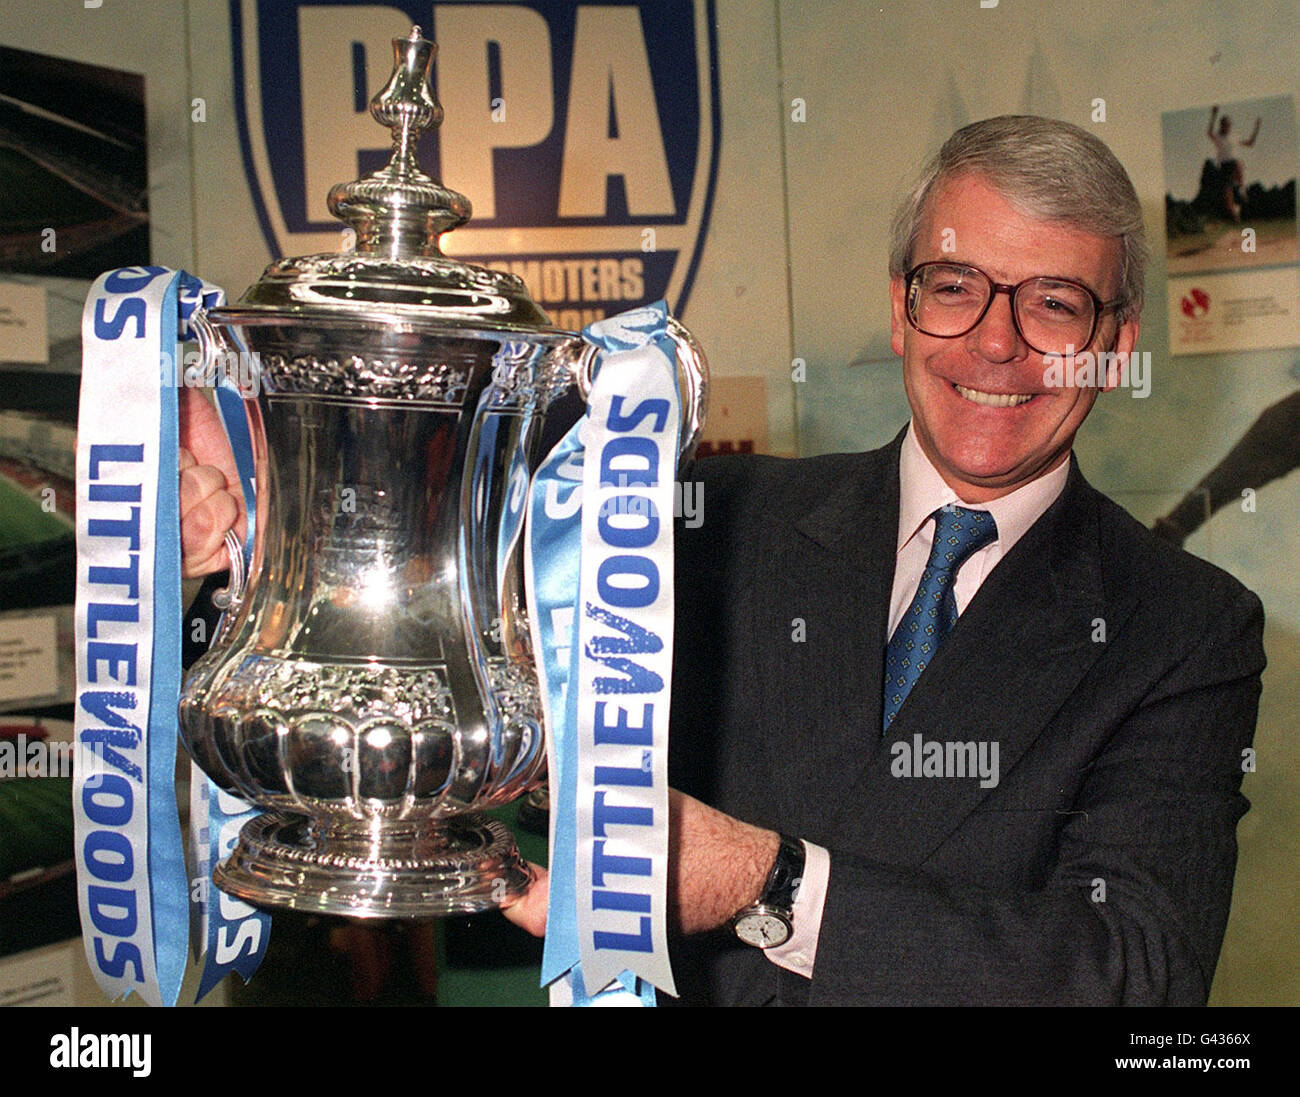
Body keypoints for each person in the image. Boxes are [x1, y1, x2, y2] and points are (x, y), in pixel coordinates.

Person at [179, 116, 1265, 1007]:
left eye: (1054, 302)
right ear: (899, 308)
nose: (995, 339)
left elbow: (1137, 973)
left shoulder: (1183, 624)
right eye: (954, 285)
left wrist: (772, 880)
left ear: (1114, 347)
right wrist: (263, 532)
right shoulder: (711, 520)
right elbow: (442, 616)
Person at [1207, 105, 1261, 221]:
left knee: (1237, 162)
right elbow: (1209, 133)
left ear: (1230, 126)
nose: (1227, 127)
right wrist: (1213, 115)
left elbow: (1250, 143)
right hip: (1224, 166)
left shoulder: (1234, 137)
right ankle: (1235, 210)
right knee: (1227, 199)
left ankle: (1242, 188)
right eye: (1224, 124)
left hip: (1234, 163)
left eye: (1228, 124)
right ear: (1221, 125)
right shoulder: (1218, 137)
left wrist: (1256, 128)